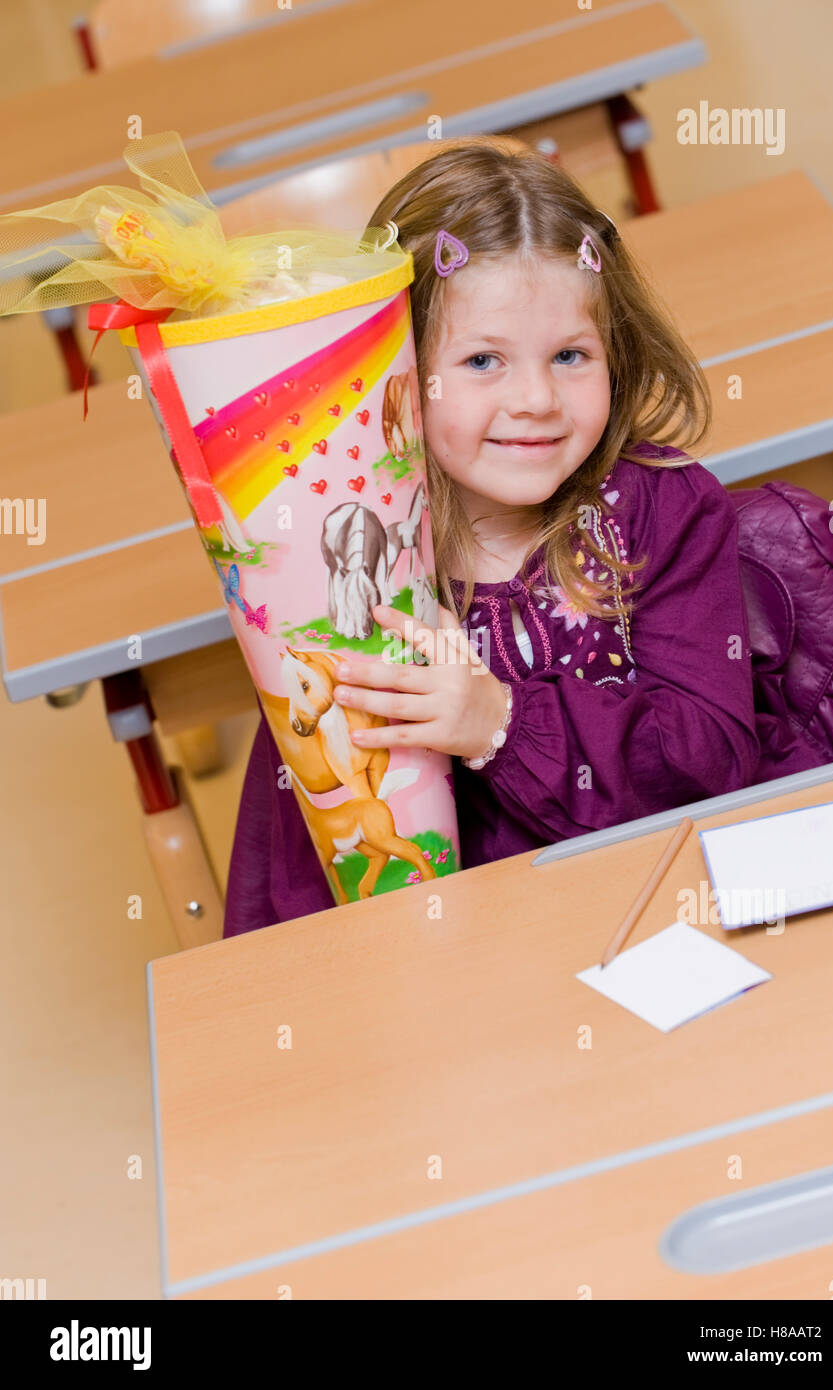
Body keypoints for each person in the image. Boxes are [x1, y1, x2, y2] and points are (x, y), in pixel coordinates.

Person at [223, 138, 760, 938]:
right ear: (398, 372)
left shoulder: (664, 512)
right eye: (483, 361)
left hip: (671, 923)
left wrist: (501, 725)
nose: (537, 399)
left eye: (571, 355)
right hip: (471, 972)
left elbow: (712, 766)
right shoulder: (353, 569)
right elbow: (311, 859)